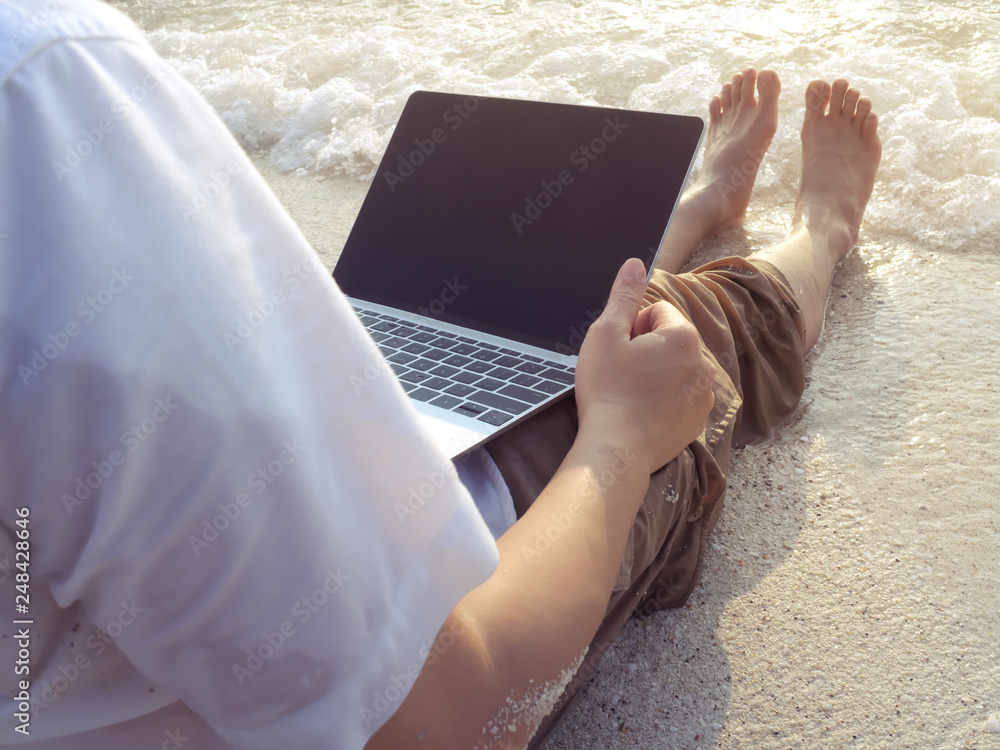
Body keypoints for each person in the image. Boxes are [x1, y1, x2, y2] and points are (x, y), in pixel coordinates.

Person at [0, 1, 880, 749]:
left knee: (542, 323)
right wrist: (617, 442)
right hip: (481, 567)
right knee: (685, 329)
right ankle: (820, 229)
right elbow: (440, 712)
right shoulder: (41, 78)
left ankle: (685, 212)